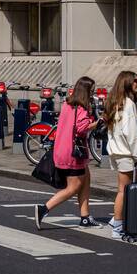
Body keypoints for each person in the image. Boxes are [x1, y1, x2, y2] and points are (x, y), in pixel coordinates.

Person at [35, 76, 98, 230]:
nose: (93, 94)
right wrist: (97, 123)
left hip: (62, 149)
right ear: (86, 91)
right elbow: (81, 129)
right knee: (74, 186)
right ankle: (44, 208)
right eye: (92, 90)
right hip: (73, 152)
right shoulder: (82, 108)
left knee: (86, 178)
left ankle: (84, 217)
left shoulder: (67, 104)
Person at [103, 71, 137, 239]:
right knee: (123, 190)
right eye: (135, 82)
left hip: (117, 150)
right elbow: (132, 133)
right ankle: (117, 225)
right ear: (128, 83)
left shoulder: (116, 101)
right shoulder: (127, 104)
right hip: (125, 152)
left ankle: (117, 219)